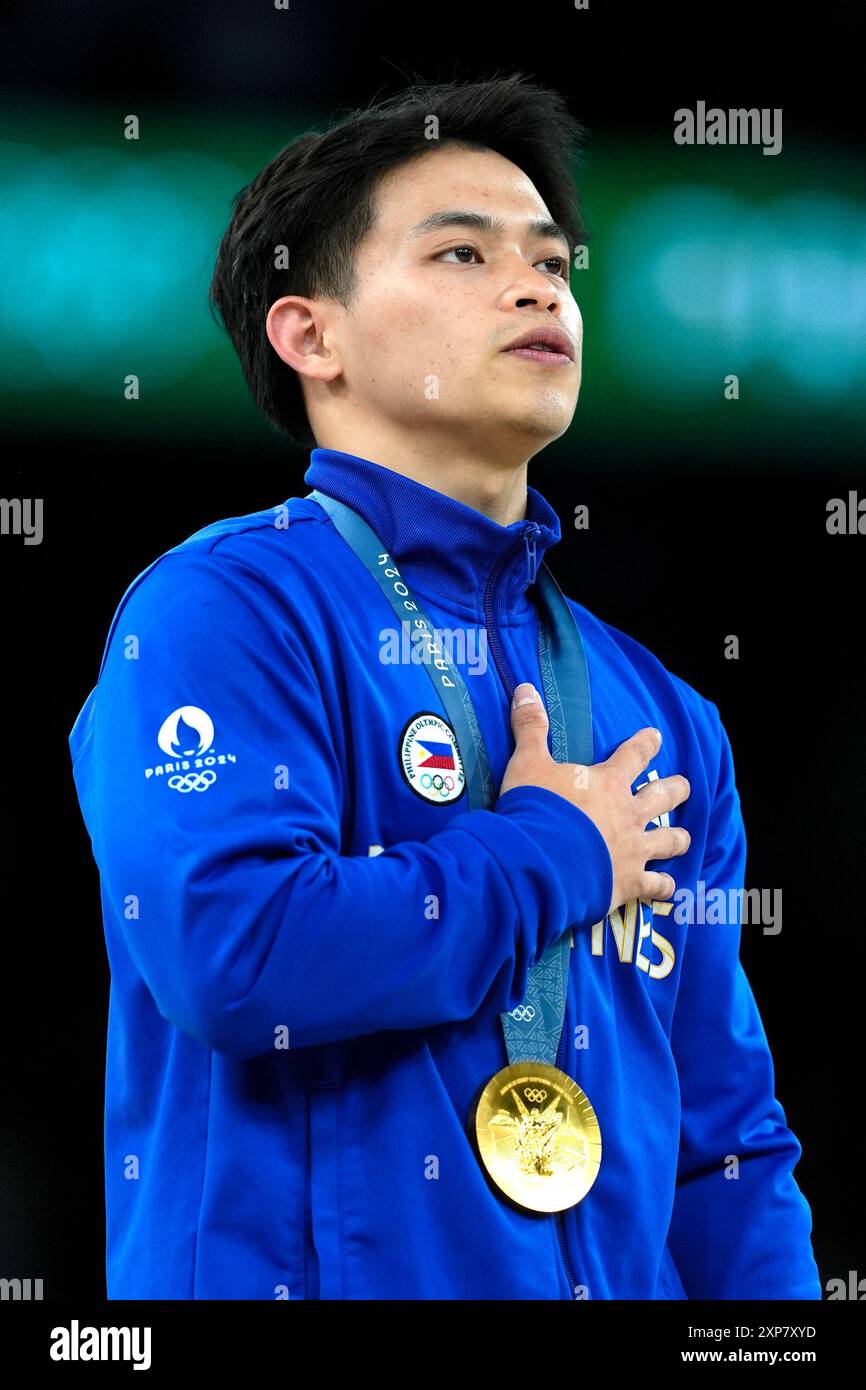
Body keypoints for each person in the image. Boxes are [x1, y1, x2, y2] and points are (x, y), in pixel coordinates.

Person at [68, 73, 821, 1300]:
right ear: (310, 335)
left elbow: (722, 1145)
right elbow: (231, 954)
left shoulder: (664, 712)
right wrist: (552, 856)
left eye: (551, 263)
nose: (536, 287)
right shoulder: (226, 610)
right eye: (462, 253)